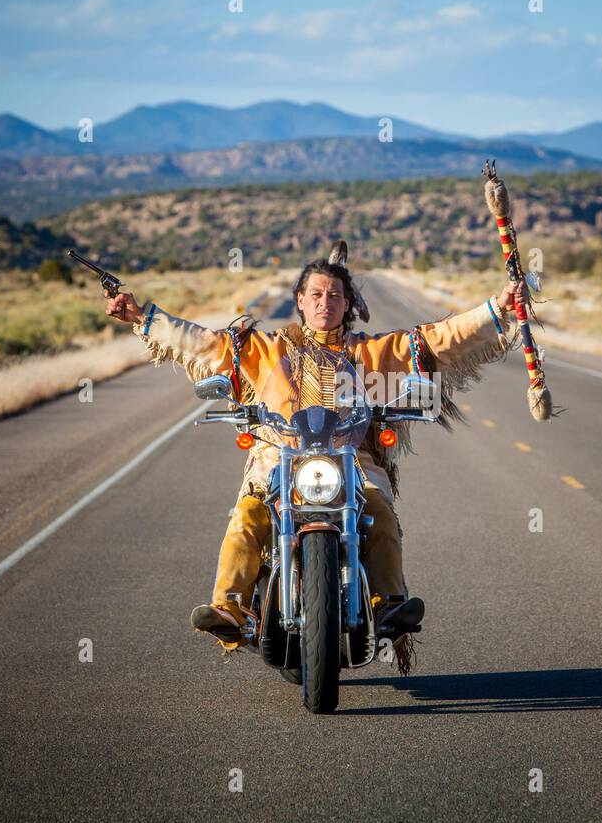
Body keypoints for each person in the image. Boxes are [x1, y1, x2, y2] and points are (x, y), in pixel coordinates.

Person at [105, 241, 524, 669]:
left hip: (351, 461)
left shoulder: (371, 353)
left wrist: (497, 307)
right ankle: (229, 608)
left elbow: (441, 338)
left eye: (336, 295)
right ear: (301, 302)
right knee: (248, 515)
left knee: (379, 511)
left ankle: (387, 604)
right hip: (277, 459)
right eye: (317, 294)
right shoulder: (265, 349)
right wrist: (141, 316)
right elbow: (203, 343)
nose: (327, 302)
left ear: (348, 304)